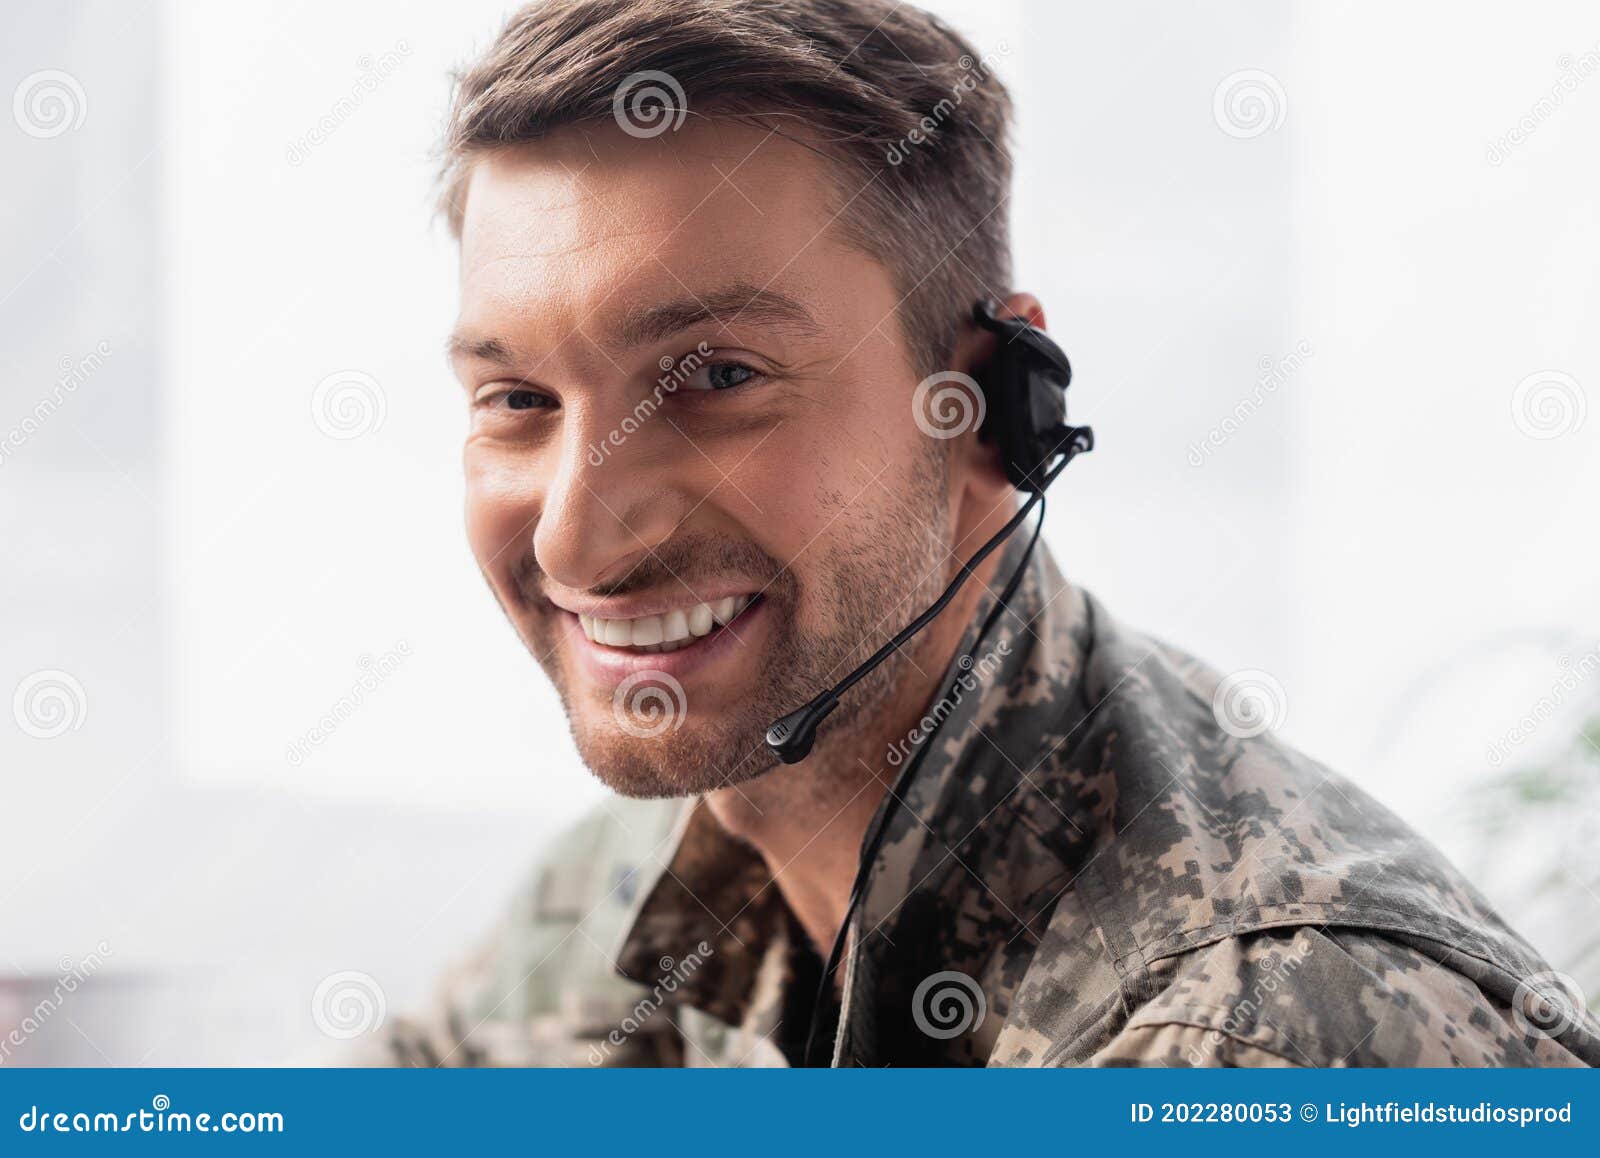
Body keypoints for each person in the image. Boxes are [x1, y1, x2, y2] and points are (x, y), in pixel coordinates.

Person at [377, 0, 1598, 1066]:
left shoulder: (1257, 1036)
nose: (575, 546)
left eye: (714, 377)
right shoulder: (644, 874)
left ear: (981, 403)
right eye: (518, 401)